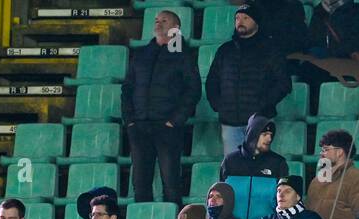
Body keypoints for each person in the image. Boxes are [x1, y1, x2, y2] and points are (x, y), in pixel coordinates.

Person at [122, 8, 200, 204]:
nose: (158, 23)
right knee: (140, 183)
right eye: (156, 20)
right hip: (139, 126)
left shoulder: (183, 55)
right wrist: (130, 120)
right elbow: (127, 88)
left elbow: (193, 90)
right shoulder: (141, 54)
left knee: (171, 182)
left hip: (167, 127)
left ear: (176, 27)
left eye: (164, 21)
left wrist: (175, 121)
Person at [205, 4, 291, 155]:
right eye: (237, 18)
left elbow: (284, 83)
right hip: (229, 122)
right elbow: (212, 81)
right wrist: (219, 105)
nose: (240, 21)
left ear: (256, 22)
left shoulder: (270, 50)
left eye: (245, 17)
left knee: (260, 169)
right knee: (232, 171)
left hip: (260, 122)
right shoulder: (225, 50)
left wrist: (262, 105)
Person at [218, 113, 289, 182]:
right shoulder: (230, 161)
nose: (269, 139)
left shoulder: (278, 163)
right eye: (264, 135)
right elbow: (222, 192)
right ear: (252, 135)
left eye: (271, 135)